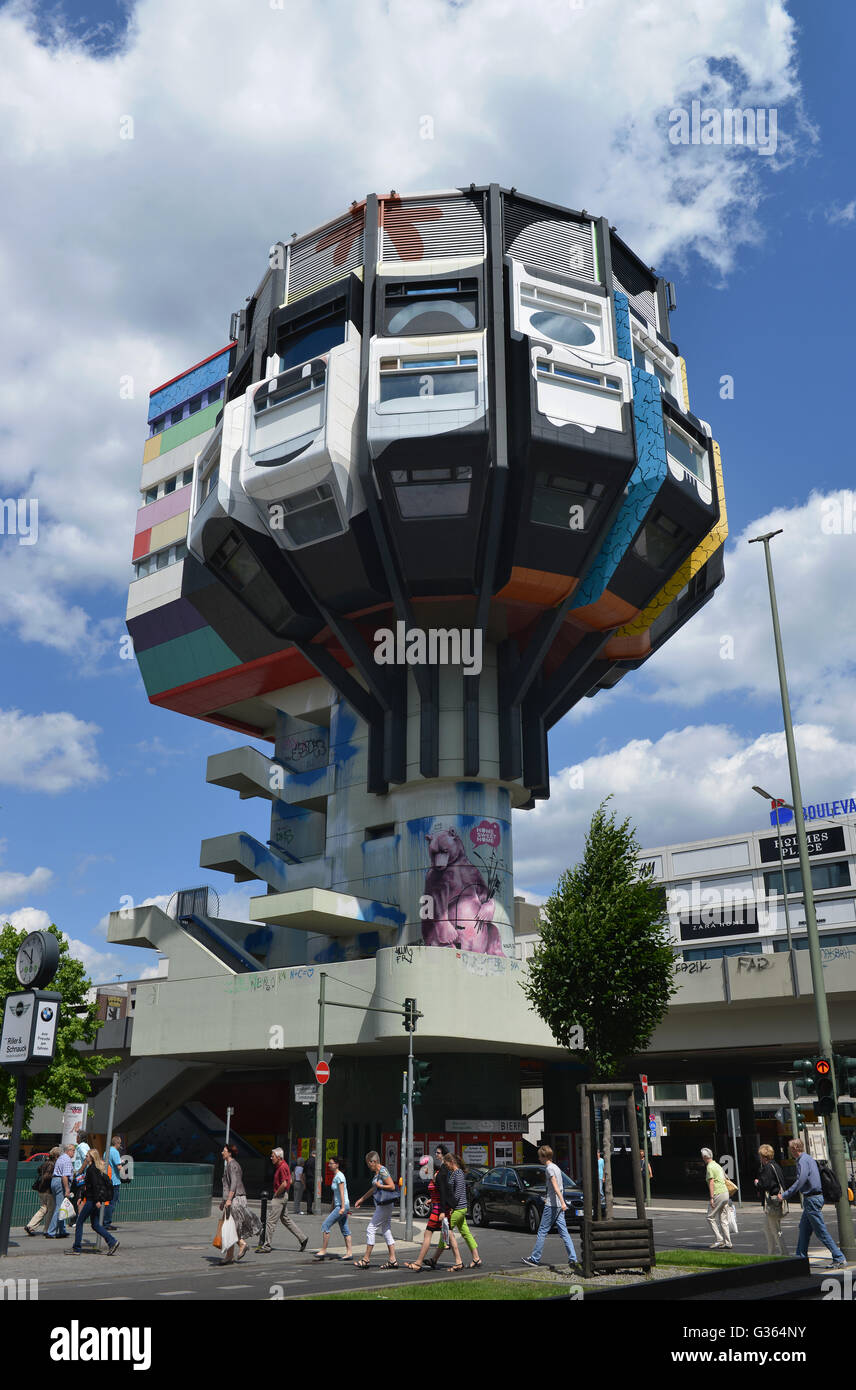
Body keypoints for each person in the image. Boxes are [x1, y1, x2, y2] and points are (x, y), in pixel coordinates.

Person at [772, 1139, 846, 1267]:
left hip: (812, 1199)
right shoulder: (808, 1158)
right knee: (804, 1228)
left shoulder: (802, 1161)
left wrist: (784, 1195)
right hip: (813, 1198)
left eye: (790, 1148)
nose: (789, 1150)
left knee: (820, 1231)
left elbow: (800, 1180)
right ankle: (800, 1257)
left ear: (795, 1148)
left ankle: (838, 1257)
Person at [522, 1145, 579, 1270]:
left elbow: (555, 1187)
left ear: (544, 1156)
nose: (539, 1159)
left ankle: (535, 1258)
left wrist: (562, 1202)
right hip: (558, 1206)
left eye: (539, 1156)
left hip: (552, 1205)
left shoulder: (549, 1169)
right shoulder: (556, 1167)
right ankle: (573, 1258)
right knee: (564, 1232)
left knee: (542, 1231)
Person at [405, 1155, 461, 1271]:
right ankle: (459, 1262)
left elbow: (443, 1194)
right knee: (450, 1235)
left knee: (428, 1235)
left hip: (438, 1211)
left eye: (424, 1168)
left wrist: (441, 1212)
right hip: (439, 1208)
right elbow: (438, 1193)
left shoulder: (438, 1175)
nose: (423, 1170)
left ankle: (418, 1263)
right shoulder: (436, 1175)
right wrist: (431, 1200)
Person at [434, 1150, 480, 1268]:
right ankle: (476, 1258)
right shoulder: (454, 1173)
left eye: (446, 1163)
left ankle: (434, 1259)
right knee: (466, 1233)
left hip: (458, 1208)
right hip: (460, 1208)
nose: (446, 1166)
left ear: (451, 1162)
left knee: (446, 1231)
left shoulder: (458, 1173)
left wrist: (451, 1208)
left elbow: (458, 1193)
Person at [353, 1151, 398, 1269]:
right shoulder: (378, 1172)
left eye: (369, 1163)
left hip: (385, 1205)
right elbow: (373, 1189)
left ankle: (366, 1259)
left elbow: (392, 1186)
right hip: (383, 1205)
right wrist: (361, 1199)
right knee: (386, 1229)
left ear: (373, 1161)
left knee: (371, 1228)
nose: (368, 1166)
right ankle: (392, 1260)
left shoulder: (382, 1170)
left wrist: (380, 1186)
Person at [70, 1149, 119, 1255]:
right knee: (95, 1225)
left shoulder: (91, 1170)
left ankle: (77, 1248)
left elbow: (95, 1187)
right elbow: (89, 1187)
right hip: (93, 1199)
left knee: (79, 1222)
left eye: (87, 1156)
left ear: (91, 1158)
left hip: (92, 1201)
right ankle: (112, 1241)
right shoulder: (95, 1169)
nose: (85, 1157)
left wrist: (96, 1200)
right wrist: (82, 1196)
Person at [259, 1147, 308, 1253]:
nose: (271, 1157)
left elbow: (285, 1183)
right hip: (283, 1195)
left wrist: (276, 1194)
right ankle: (303, 1238)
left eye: (273, 1156)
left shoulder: (282, 1167)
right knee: (285, 1219)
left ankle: (266, 1246)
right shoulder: (283, 1165)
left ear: (279, 1157)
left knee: (271, 1221)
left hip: (280, 1197)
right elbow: (289, 1180)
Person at [219, 1142, 259, 1264]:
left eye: (224, 1150)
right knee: (230, 1226)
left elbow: (234, 1183)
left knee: (231, 1227)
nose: (222, 1152)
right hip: (232, 1199)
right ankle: (229, 1256)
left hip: (236, 1199)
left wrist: (229, 1199)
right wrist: (223, 1201)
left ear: (229, 1152)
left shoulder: (233, 1165)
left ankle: (242, 1244)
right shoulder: (230, 1165)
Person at [315, 1155, 352, 1260]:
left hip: (342, 1206)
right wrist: (332, 1206)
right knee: (345, 1229)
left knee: (325, 1225)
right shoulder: (336, 1176)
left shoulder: (339, 1176)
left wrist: (343, 1208)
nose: (329, 1165)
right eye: (329, 1163)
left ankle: (323, 1250)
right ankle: (349, 1253)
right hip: (339, 1205)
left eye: (331, 1163)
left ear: (337, 1165)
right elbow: (335, 1194)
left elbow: (342, 1193)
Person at [755, 1143, 788, 1256]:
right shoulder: (776, 1166)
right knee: (767, 1228)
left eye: (760, 1156)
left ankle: (784, 1253)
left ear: (764, 1157)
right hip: (776, 1202)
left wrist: (757, 1183)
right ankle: (771, 1252)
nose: (760, 1158)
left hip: (772, 1203)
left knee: (775, 1229)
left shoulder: (768, 1168)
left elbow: (765, 1184)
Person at [701, 1147, 732, 1249]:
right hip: (725, 1193)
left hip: (718, 1193)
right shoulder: (717, 1165)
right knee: (723, 1219)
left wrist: (711, 1197)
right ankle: (728, 1242)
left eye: (702, 1157)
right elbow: (725, 1177)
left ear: (705, 1157)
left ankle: (719, 1239)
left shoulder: (710, 1167)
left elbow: (711, 1183)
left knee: (710, 1216)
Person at [25, 1147, 59, 1236]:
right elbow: (47, 1176)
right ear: (56, 1156)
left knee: (43, 1208)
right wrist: (56, 1176)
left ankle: (30, 1226)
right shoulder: (52, 1164)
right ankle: (46, 1230)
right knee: (50, 1210)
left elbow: (39, 1170)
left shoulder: (45, 1163)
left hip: (41, 1189)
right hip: (48, 1190)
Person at [46, 1143, 76, 1238]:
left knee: (61, 1206)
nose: (74, 1152)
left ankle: (62, 1230)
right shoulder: (67, 1160)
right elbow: (64, 1176)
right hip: (61, 1183)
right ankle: (51, 1232)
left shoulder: (61, 1158)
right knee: (59, 1208)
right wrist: (67, 1189)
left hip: (54, 1181)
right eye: (73, 1150)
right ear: (68, 1150)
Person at [102, 1134, 123, 1230]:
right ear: (117, 1143)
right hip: (114, 1181)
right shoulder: (115, 1152)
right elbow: (118, 1166)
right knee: (112, 1202)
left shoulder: (106, 1152)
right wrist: (124, 1172)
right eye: (120, 1143)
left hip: (107, 1180)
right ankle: (107, 1222)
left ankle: (103, 1221)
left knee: (107, 1202)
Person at [304, 1149, 316, 1215]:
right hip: (314, 1180)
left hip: (308, 1179)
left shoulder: (307, 1161)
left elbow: (304, 1172)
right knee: (315, 1194)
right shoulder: (316, 1161)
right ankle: (315, 1208)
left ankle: (309, 1209)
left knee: (309, 1195)